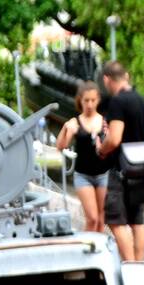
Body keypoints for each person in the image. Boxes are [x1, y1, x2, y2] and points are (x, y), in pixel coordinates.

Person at [97, 60, 144, 262]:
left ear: (107, 79)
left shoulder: (118, 102)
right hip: (141, 170)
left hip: (121, 171)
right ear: (127, 76)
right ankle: (139, 266)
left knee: (116, 220)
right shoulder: (142, 100)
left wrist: (101, 149)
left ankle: (129, 265)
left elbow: (114, 138)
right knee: (137, 222)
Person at [56, 81, 110, 233]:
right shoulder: (76, 122)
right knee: (92, 218)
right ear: (80, 100)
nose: (90, 104)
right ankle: (86, 247)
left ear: (98, 99)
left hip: (102, 175)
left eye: (93, 100)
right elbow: (61, 146)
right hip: (83, 175)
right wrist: (67, 129)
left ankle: (97, 252)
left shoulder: (105, 121)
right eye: (86, 100)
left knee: (101, 219)